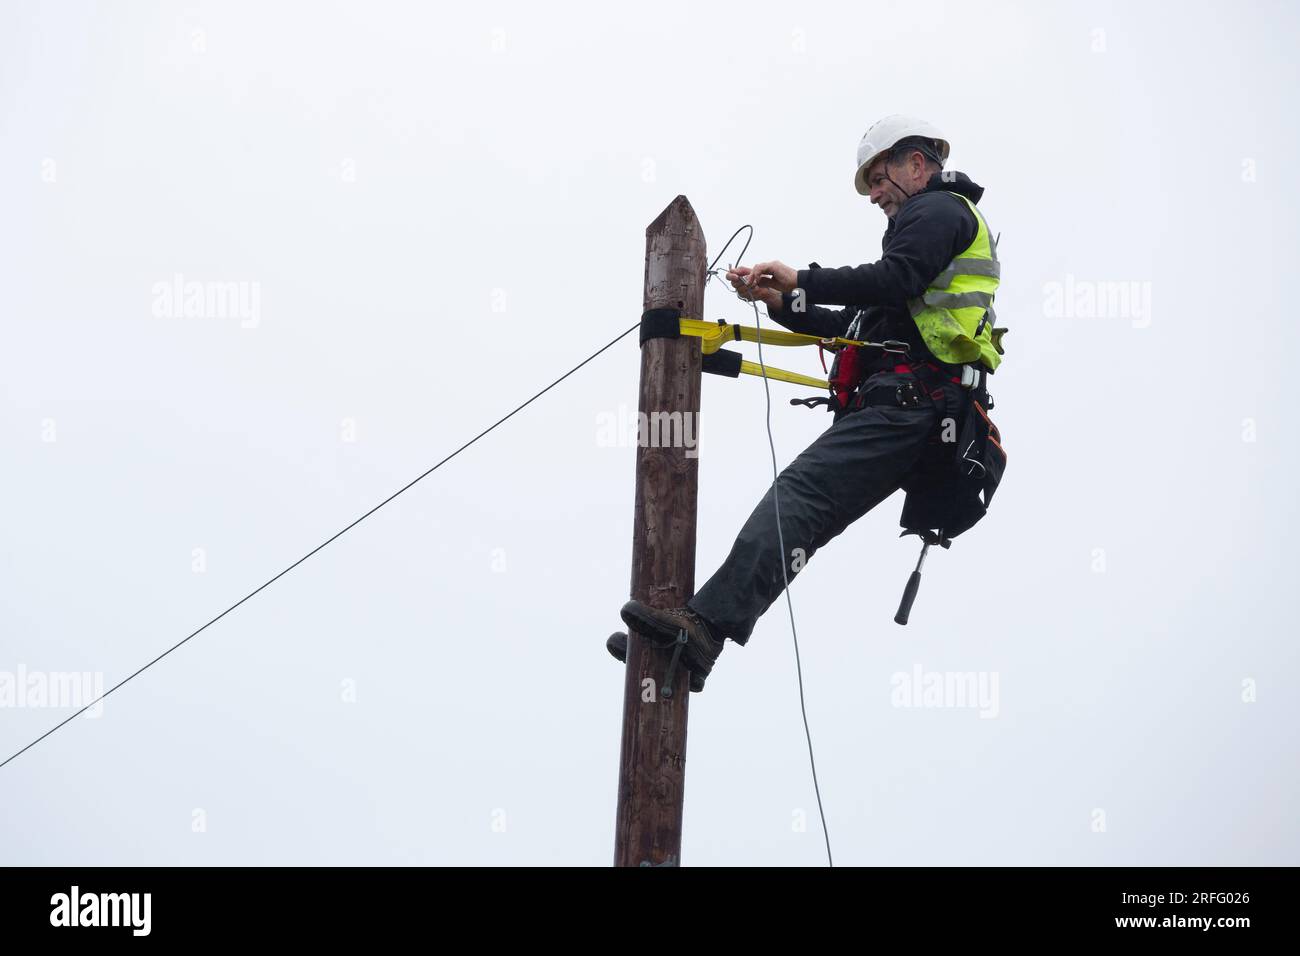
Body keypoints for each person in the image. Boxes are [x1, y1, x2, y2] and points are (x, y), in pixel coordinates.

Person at [614, 115, 1005, 692]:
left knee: (799, 497)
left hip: (911, 403)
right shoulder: (932, 229)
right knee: (806, 511)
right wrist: (784, 301)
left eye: (879, 178)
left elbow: (892, 279)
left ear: (916, 164)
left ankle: (703, 629)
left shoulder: (939, 212)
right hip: (914, 408)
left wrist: (803, 277)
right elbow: (862, 324)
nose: (874, 194)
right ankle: (703, 636)